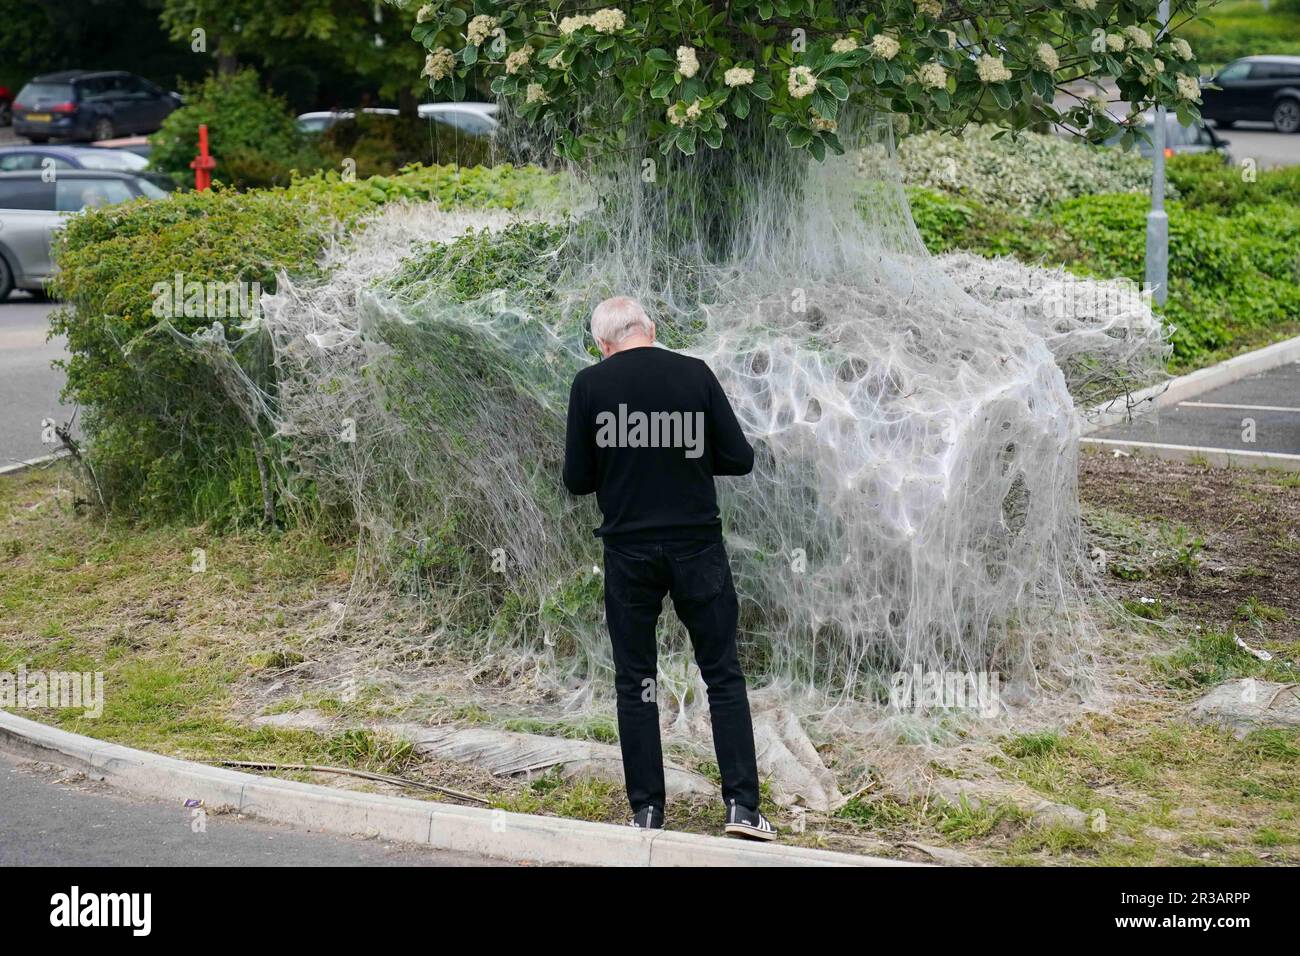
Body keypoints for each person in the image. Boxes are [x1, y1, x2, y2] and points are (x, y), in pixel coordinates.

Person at [562, 295, 775, 841]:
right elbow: (740, 458)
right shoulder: (695, 374)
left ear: (603, 346)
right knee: (722, 673)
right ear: (650, 330)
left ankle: (648, 813)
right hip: (696, 548)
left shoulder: (590, 386)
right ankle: (742, 810)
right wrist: (687, 453)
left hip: (628, 552)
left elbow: (577, 479)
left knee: (637, 681)